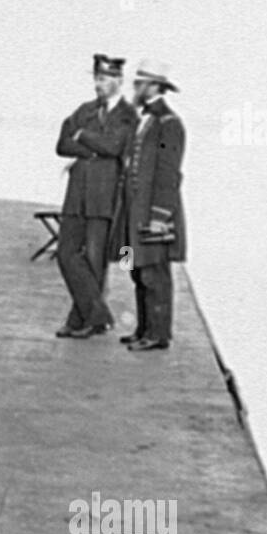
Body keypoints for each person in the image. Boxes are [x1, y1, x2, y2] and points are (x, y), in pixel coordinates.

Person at [53, 54, 137, 338]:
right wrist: (90, 149)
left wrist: (83, 136)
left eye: (103, 79)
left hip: (103, 196)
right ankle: (97, 315)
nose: (97, 85)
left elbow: (114, 146)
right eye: (96, 78)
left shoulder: (128, 114)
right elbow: (62, 144)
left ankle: (81, 320)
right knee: (66, 254)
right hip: (77, 194)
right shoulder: (85, 109)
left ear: (117, 81)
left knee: (94, 260)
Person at [108, 60, 187, 351]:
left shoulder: (169, 123)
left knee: (155, 274)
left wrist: (159, 216)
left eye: (140, 84)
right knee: (136, 270)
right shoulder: (144, 118)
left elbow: (169, 175)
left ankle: (158, 334)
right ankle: (144, 329)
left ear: (154, 86)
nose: (135, 88)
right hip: (132, 213)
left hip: (153, 216)